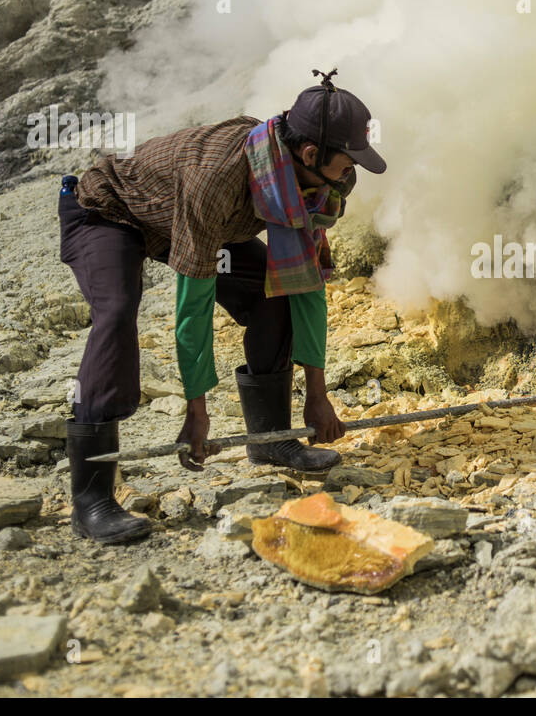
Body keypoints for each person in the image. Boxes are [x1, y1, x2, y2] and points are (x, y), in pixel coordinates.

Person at [56, 68, 385, 544]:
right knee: (116, 311)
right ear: (310, 152)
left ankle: (272, 442)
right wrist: (197, 410)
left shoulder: (298, 185)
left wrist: (317, 393)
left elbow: (306, 285)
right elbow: (194, 307)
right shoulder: (218, 178)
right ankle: (91, 500)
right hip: (109, 213)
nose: (348, 176)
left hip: (172, 219)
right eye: (345, 164)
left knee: (275, 292)